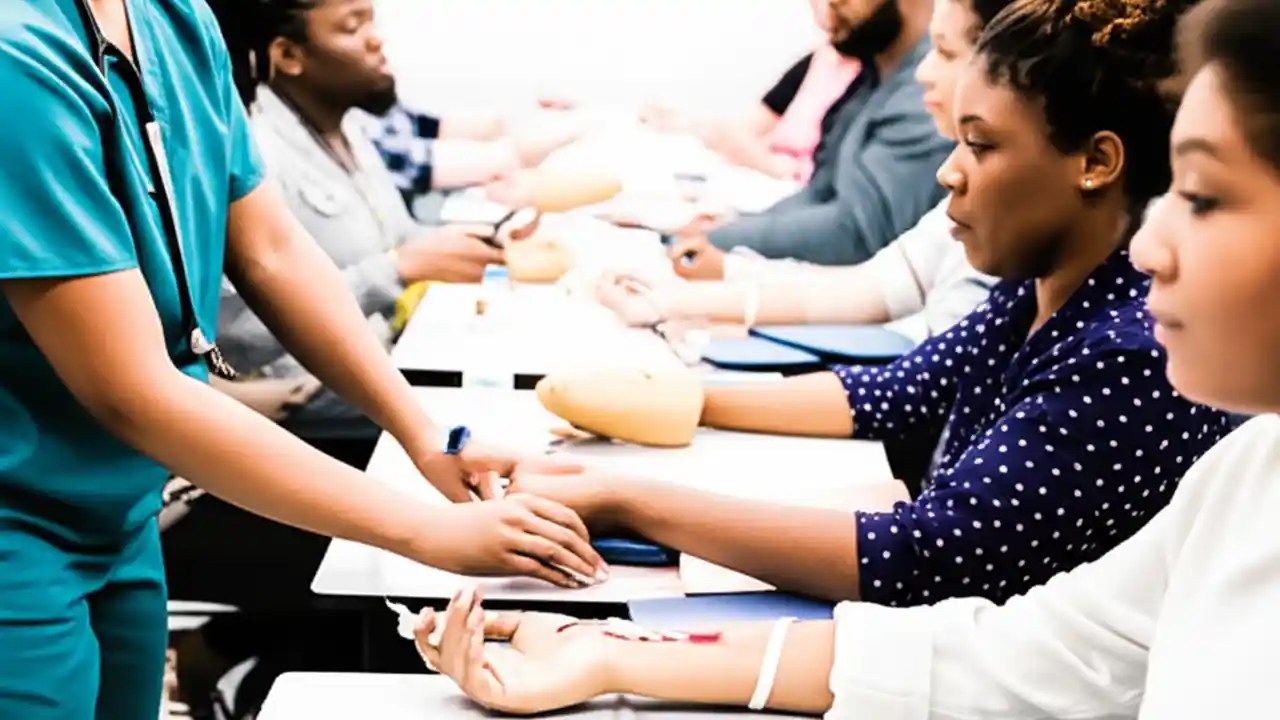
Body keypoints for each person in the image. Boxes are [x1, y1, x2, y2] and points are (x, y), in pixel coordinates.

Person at [425, 1, 1280, 715]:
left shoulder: (1128, 356)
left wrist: (635, 501)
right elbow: (1017, 652)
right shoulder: (1242, 467)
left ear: (1097, 163)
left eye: (1200, 197)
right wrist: (608, 649)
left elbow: (929, 565)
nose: (1154, 244)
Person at [0, 0, 605, 717]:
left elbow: (273, 253)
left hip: (119, 508)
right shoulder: (18, 57)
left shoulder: (176, 22)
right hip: (21, 523)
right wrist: (427, 531)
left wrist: (428, 435)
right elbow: (130, 389)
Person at [599, 0, 1004, 342]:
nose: (825, 10)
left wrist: (720, 248)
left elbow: (855, 233)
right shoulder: (872, 80)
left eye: (945, 52)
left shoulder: (918, 104)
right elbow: (874, 285)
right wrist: (675, 294)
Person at [210, 0, 514, 437]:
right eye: (352, 27)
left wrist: (484, 240)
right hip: (301, 394)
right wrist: (396, 270)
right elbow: (235, 339)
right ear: (289, 56)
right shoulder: (256, 153)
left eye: (372, 21)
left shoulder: (347, 129)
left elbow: (400, 237)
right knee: (493, 419)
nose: (376, 39)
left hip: (381, 357)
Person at [671, 0, 953, 273]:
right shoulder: (874, 77)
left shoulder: (926, 93)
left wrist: (709, 242)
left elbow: (855, 234)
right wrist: (727, 227)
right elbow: (820, 192)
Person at [641, 0, 862, 183]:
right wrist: (685, 124)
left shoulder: (877, 80)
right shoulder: (821, 59)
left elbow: (837, 180)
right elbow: (748, 127)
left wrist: (765, 163)